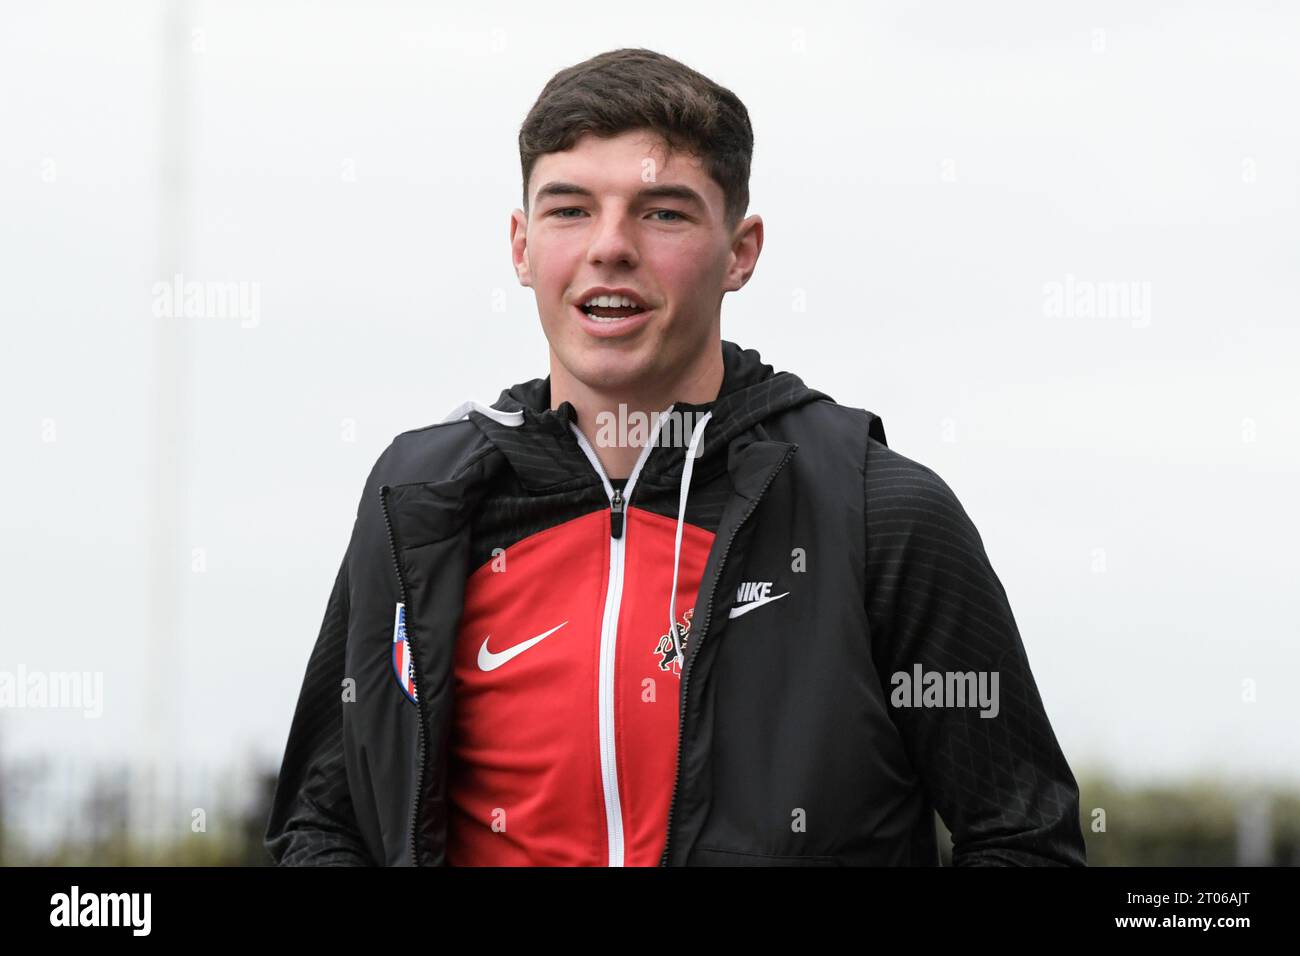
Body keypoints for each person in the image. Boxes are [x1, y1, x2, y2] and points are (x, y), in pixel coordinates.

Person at [265, 47, 1086, 867]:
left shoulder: (877, 510)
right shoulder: (417, 499)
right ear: (520, 247)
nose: (610, 247)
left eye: (663, 213)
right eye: (569, 210)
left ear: (741, 250)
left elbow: (1022, 842)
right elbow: (322, 826)